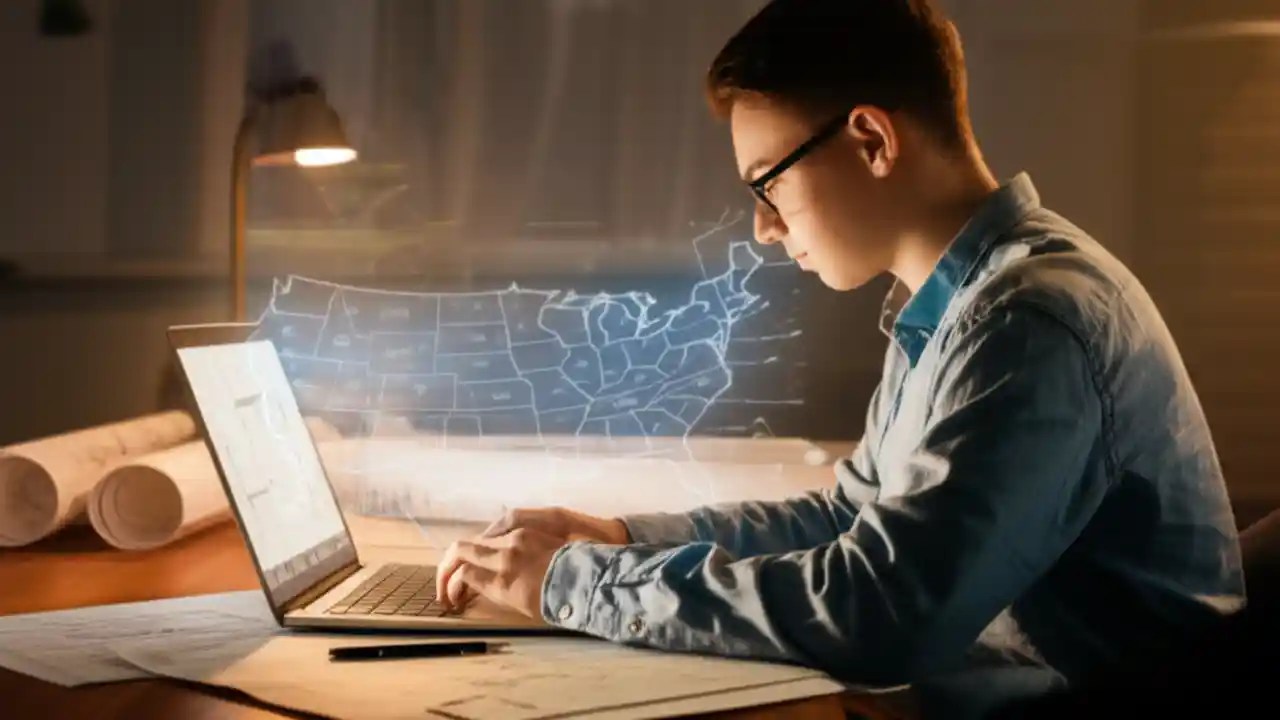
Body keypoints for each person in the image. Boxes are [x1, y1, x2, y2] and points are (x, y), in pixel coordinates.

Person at [435, 0, 1244, 705]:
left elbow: (882, 612)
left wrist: (573, 583)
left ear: (870, 140)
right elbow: (849, 518)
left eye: (768, 183)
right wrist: (620, 537)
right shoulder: (960, 306)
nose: (764, 227)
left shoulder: (1026, 323)